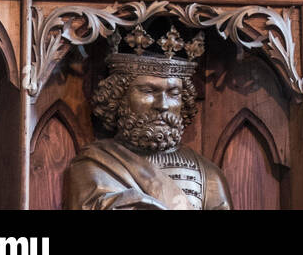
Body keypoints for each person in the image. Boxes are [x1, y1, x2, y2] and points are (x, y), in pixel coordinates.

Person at [65, 36, 232, 211]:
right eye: (148, 91)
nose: (163, 105)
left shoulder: (209, 175)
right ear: (119, 96)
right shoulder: (96, 163)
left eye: (173, 93)